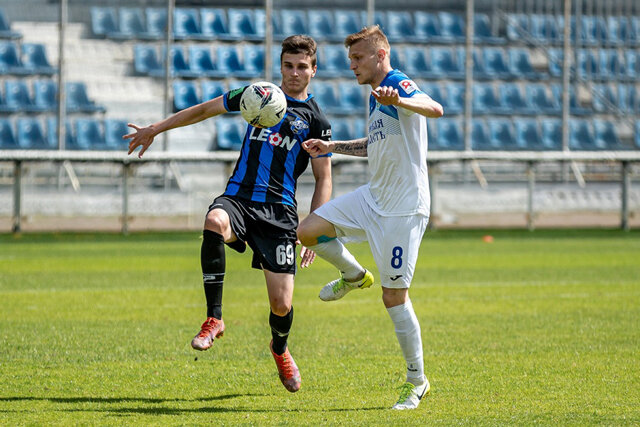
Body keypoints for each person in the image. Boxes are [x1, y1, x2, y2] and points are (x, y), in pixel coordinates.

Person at [124, 35, 332, 393]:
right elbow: (204, 110)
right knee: (214, 221)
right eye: (288, 65)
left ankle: (279, 349)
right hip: (238, 198)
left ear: (314, 70)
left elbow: (324, 178)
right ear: (280, 65)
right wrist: (155, 128)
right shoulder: (257, 94)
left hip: (279, 212)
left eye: (302, 67)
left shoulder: (315, 122)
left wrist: (315, 227)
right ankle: (214, 319)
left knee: (282, 306)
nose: (294, 73)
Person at [297, 25, 443, 409]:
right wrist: (333, 146)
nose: (352, 66)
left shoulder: (398, 84)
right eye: (350, 60)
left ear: (380, 56)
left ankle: (417, 381)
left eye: (358, 58)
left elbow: (436, 109)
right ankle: (353, 274)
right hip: (372, 199)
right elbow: (374, 146)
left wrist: (404, 99)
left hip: (403, 209)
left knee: (394, 297)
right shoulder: (376, 97)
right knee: (309, 231)